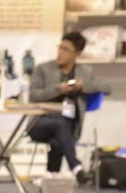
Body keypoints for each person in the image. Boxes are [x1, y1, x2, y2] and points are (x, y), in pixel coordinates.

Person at [26, 31, 108, 178]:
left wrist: (84, 85)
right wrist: (58, 89)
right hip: (40, 123)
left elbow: (107, 88)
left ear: (77, 53)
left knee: (58, 141)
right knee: (60, 122)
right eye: (60, 47)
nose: (60, 52)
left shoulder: (85, 71)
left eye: (65, 49)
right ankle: (75, 166)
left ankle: (48, 191)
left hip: (70, 126)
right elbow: (33, 96)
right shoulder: (43, 69)